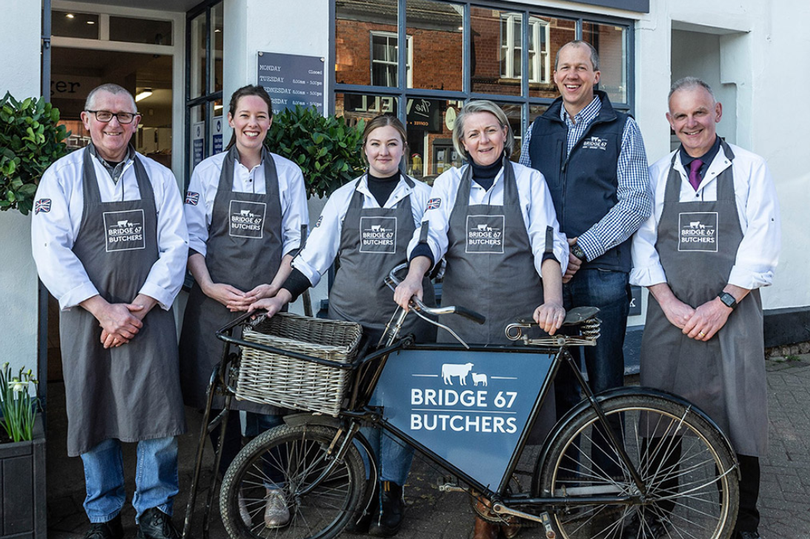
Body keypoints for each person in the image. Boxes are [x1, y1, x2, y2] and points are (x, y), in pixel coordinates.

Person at [249, 114, 436, 537]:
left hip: (408, 324)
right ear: (364, 149)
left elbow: (437, 249)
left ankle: (393, 492)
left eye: (392, 144)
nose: (383, 151)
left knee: (401, 414)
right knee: (361, 414)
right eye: (375, 143)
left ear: (404, 150)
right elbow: (314, 258)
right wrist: (282, 295)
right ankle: (365, 489)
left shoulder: (425, 196)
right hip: (352, 325)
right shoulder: (342, 197)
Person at [394, 100, 568, 539]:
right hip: (463, 318)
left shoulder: (530, 181)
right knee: (473, 418)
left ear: (505, 136)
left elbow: (547, 242)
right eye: (473, 134)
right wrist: (414, 277)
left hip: (519, 314)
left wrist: (553, 301)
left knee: (510, 416)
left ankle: (496, 507)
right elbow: (429, 235)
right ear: (462, 142)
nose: (483, 140)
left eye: (491, 131)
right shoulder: (448, 182)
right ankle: (486, 511)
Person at [31, 84, 188, 539]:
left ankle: (154, 509)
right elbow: (50, 251)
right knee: (92, 410)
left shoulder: (160, 178)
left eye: (124, 116)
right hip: (87, 317)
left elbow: (176, 247)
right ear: (86, 120)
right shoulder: (59, 177)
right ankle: (103, 514)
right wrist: (104, 311)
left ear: (137, 123)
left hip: (149, 312)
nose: (114, 124)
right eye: (104, 115)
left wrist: (135, 309)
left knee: (158, 416)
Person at [629, 77, 780, 539]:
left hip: (733, 314)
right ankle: (655, 516)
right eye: (681, 116)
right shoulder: (656, 174)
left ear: (716, 110)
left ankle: (741, 522)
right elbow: (642, 242)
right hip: (668, 317)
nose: (691, 123)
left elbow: (761, 243)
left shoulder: (751, 168)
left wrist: (724, 302)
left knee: (741, 418)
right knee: (659, 414)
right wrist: (668, 302)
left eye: (699, 112)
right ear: (669, 122)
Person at [518, 40, 652, 476]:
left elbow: (635, 202)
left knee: (607, 383)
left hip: (603, 275)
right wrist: (553, 256)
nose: (571, 75)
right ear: (553, 75)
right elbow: (525, 200)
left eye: (581, 67)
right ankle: (569, 481)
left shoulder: (622, 128)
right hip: (549, 277)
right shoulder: (539, 129)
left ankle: (611, 484)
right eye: (563, 68)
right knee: (561, 384)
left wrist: (578, 250)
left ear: (597, 76)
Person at [178, 85, 308, 529]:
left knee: (268, 402)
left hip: (266, 306)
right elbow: (191, 238)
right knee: (219, 405)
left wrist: (273, 290)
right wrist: (211, 287)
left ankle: (275, 490)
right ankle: (236, 490)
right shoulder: (207, 172)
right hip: (214, 304)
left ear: (270, 122)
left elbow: (295, 240)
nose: (253, 123)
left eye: (262, 116)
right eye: (245, 115)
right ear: (229, 120)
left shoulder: (289, 173)